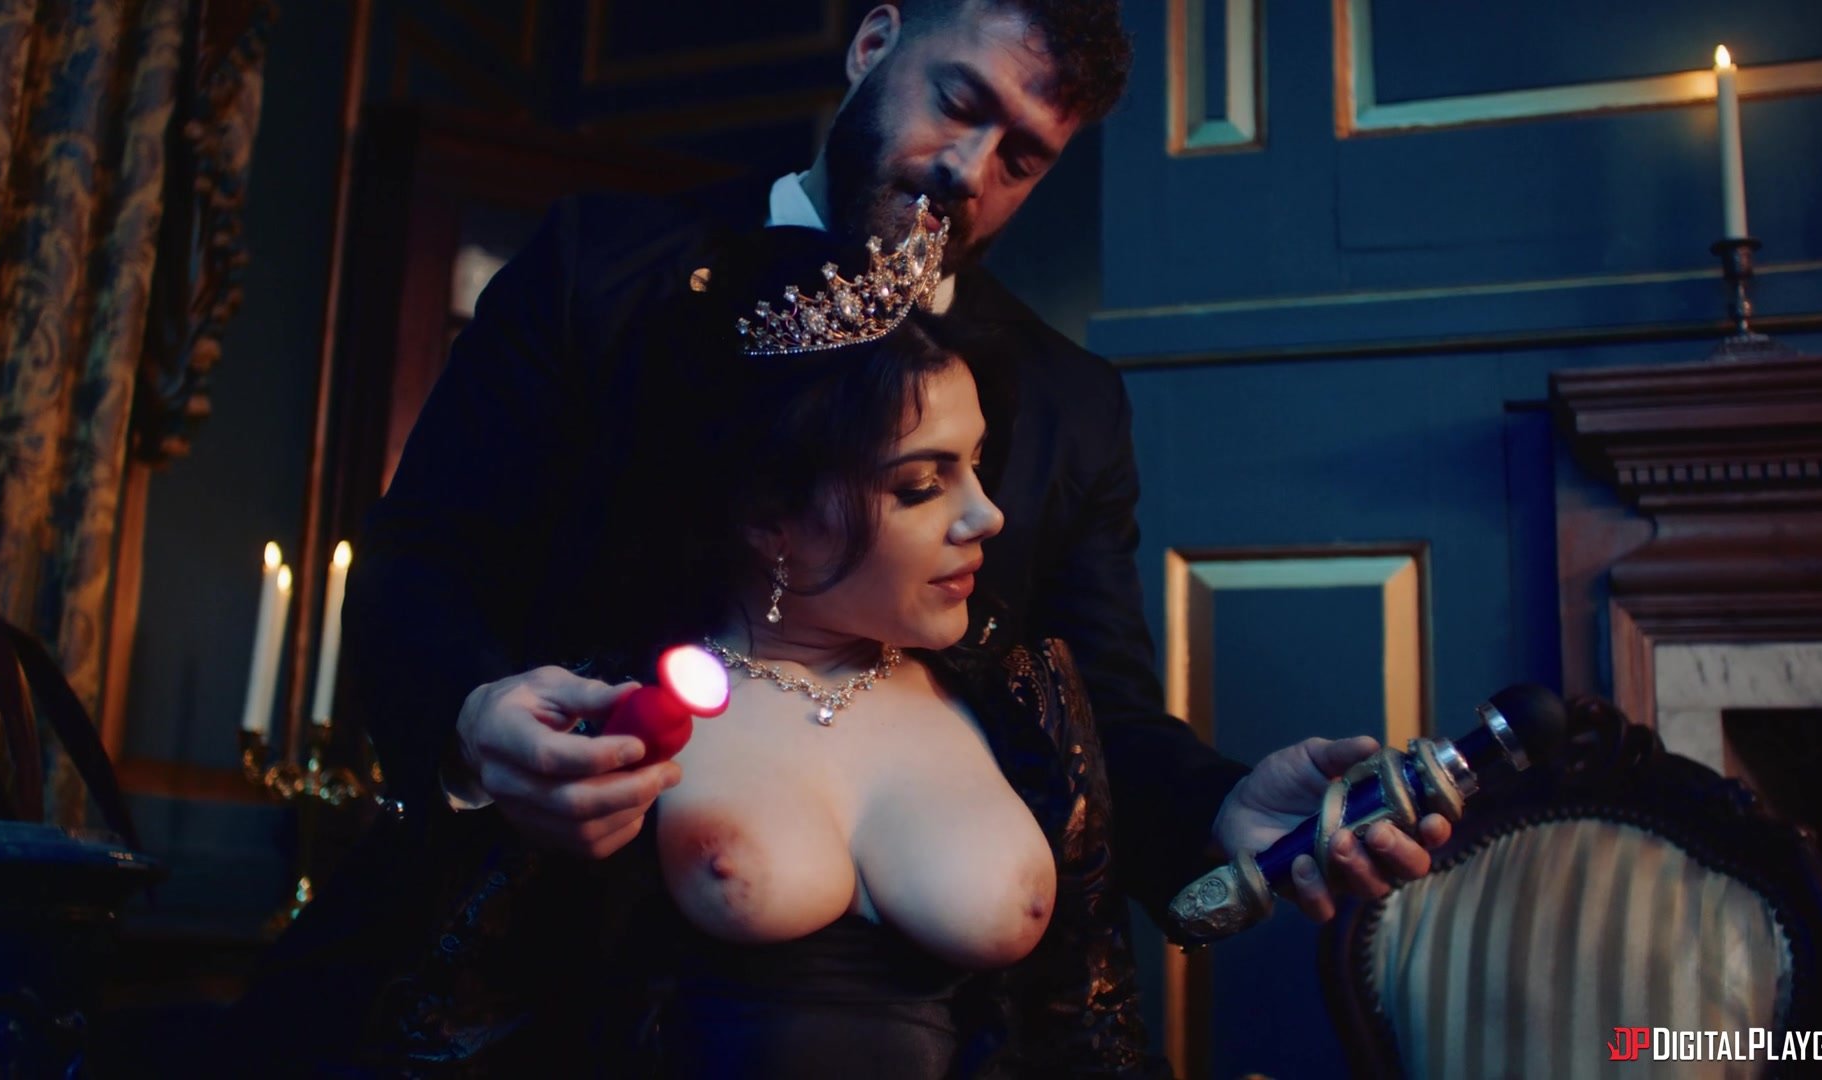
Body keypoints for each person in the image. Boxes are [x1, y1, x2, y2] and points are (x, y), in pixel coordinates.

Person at [342, 0, 1449, 951]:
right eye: (959, 102)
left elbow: (1097, 707)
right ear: (874, 43)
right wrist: (472, 716)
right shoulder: (603, 272)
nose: (968, 170)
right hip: (568, 962)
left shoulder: (1068, 407)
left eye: (1021, 159)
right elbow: (423, 555)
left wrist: (1221, 808)